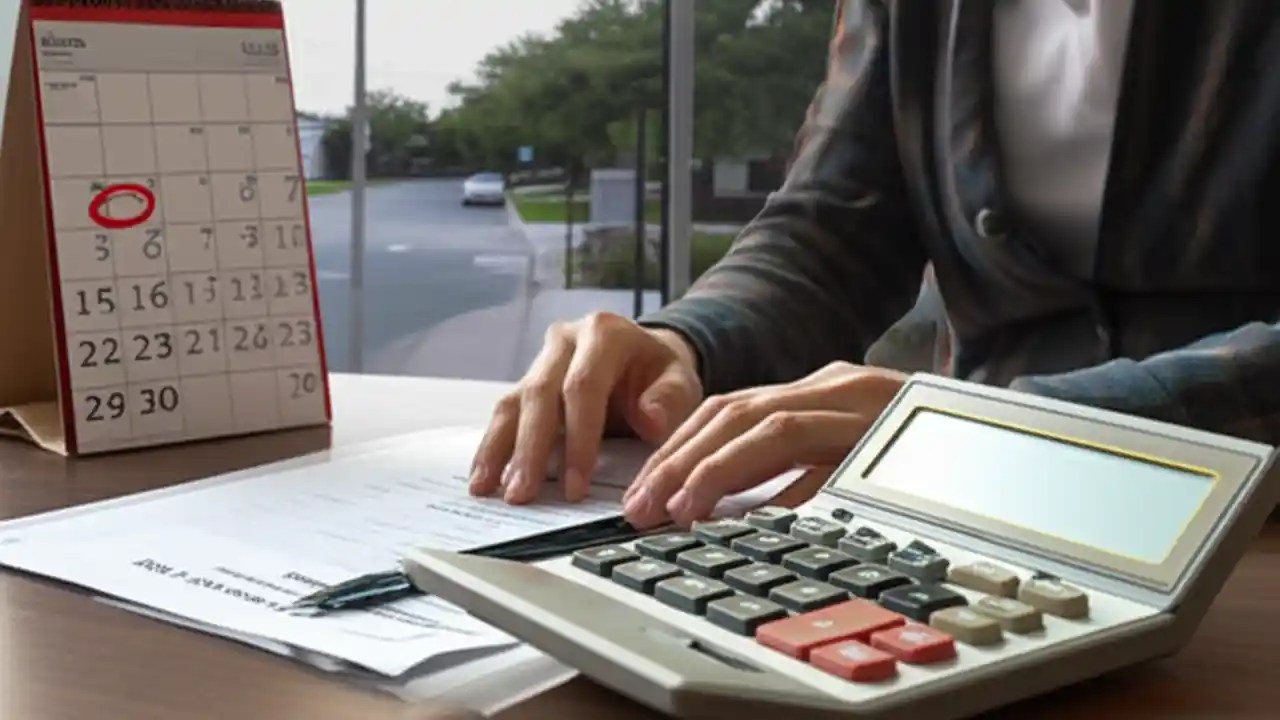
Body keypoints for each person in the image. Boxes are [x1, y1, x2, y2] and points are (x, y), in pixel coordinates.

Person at [469, 0, 1280, 529]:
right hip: (970, 519)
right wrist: (686, 344)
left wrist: (1011, 428)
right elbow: (833, 229)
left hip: (1250, 539)